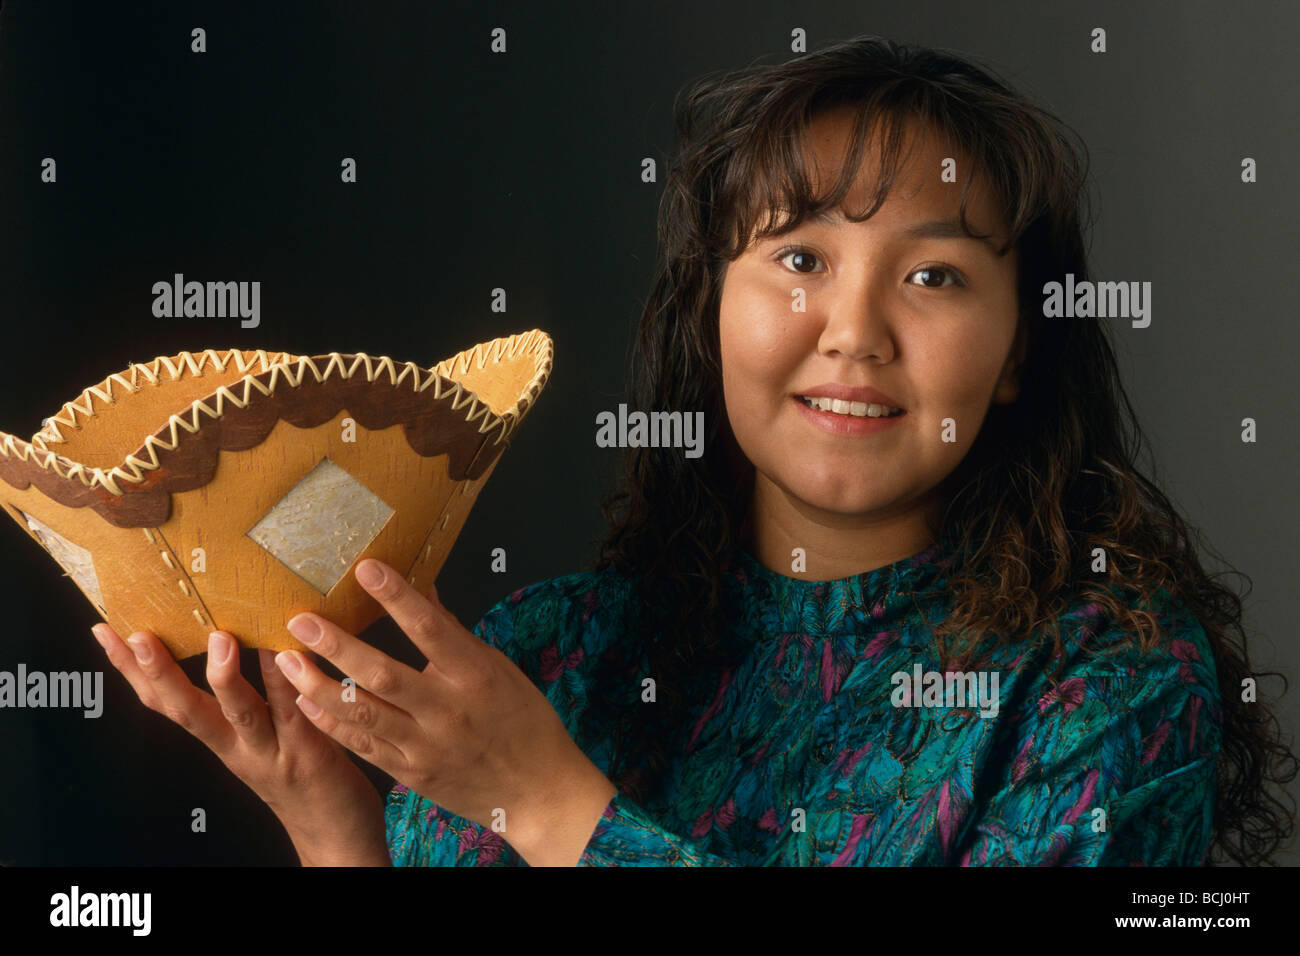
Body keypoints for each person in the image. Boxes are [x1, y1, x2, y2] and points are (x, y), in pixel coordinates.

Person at [93, 35, 1296, 866]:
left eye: (934, 275)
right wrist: (335, 825)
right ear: (708, 306)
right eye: (799, 257)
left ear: (1020, 349)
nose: (854, 332)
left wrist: (562, 809)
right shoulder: (543, 653)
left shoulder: (1103, 691)